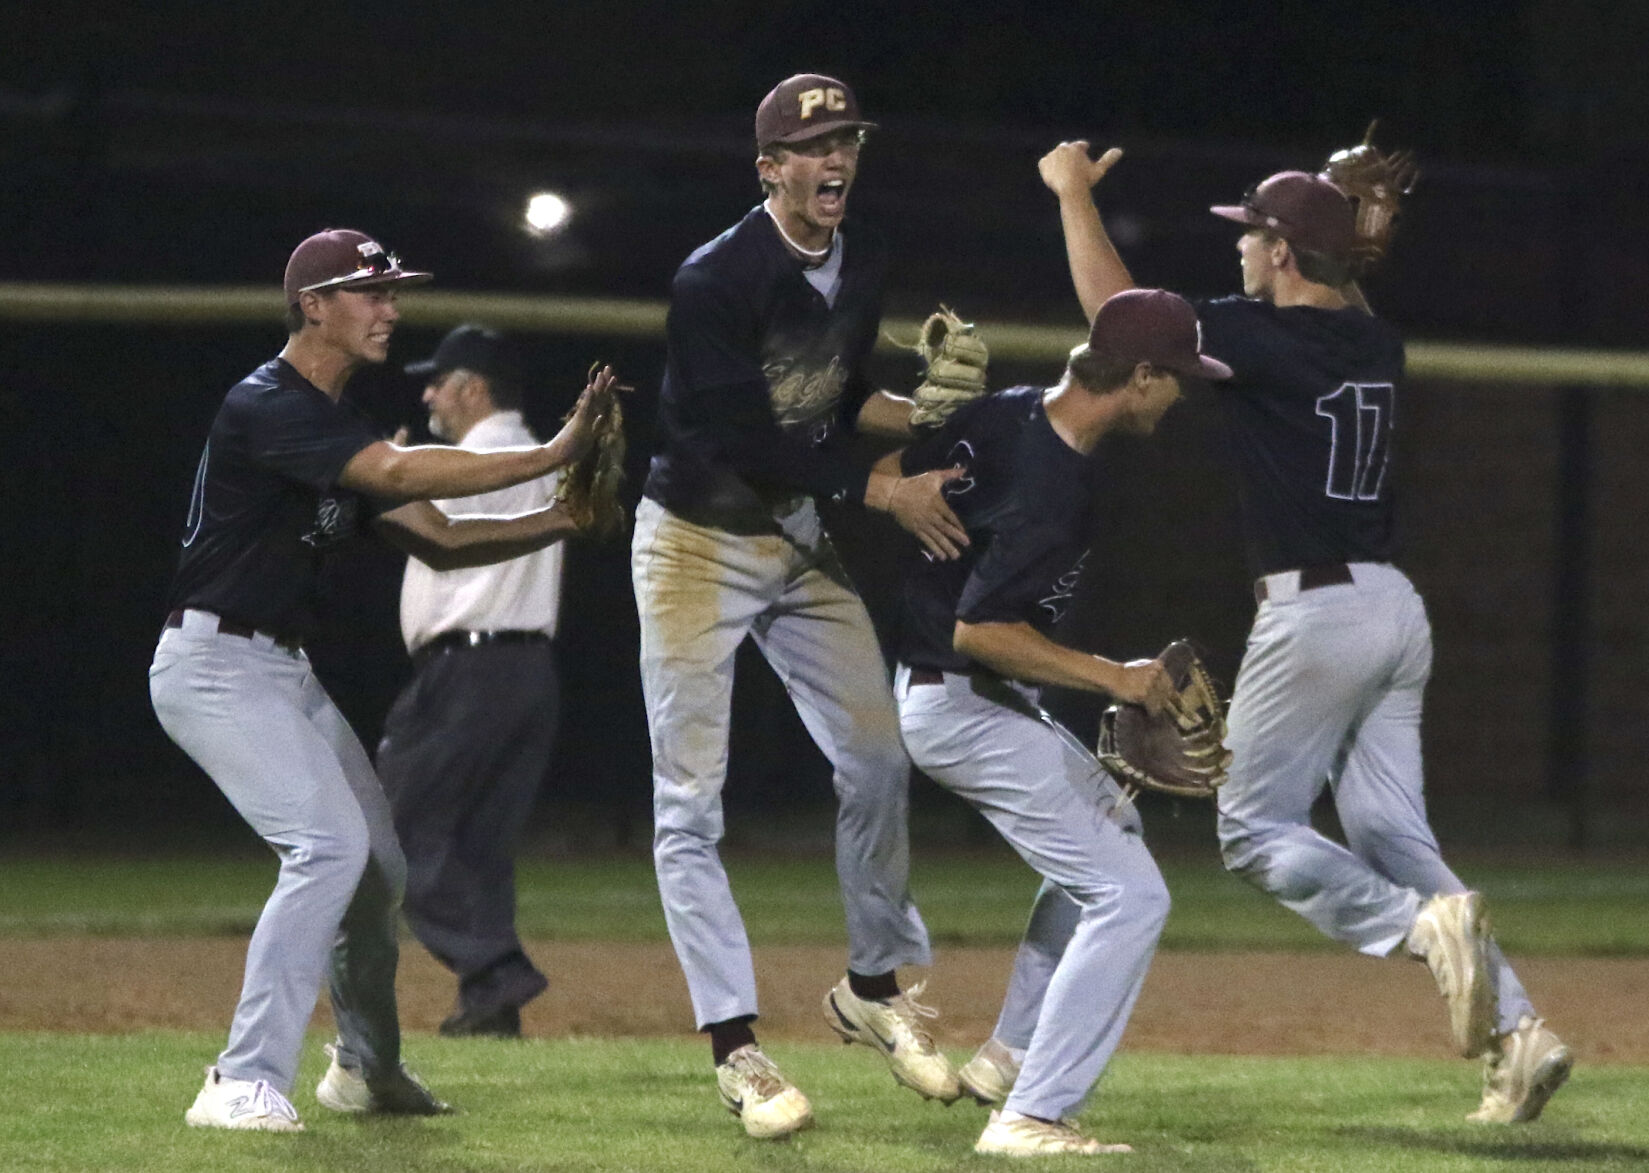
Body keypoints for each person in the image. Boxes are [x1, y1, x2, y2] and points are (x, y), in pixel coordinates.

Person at [1036, 141, 1573, 1124]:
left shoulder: (1262, 337)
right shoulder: (1374, 341)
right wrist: (1341, 234)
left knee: (1249, 832)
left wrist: (1073, 196)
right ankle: (1518, 1030)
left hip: (1317, 613)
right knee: (1386, 829)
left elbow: (1119, 325)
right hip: (1392, 612)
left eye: (1253, 238)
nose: (1240, 252)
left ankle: (1419, 930)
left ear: (1284, 253)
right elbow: (1342, 296)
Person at [151, 229, 614, 1132]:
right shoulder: (267, 401)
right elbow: (400, 471)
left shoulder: (334, 425)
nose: (390, 307)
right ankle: (240, 1077)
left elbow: (439, 536)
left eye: (392, 291)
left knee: (381, 866)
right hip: (211, 662)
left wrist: (562, 516)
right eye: (370, 292)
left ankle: (365, 1068)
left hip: (280, 665)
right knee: (326, 847)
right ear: (312, 305)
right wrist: (556, 451)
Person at [632, 73, 968, 1139]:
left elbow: (830, 393)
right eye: (813, 146)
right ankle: (736, 1052)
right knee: (690, 802)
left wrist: (922, 406)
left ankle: (871, 988)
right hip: (695, 541)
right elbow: (744, 435)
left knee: (877, 757)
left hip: (797, 537)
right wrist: (883, 485)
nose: (836, 159)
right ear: (769, 167)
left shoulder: (860, 255)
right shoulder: (714, 278)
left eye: (847, 141)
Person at [894, 288, 1233, 1156]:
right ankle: (1033, 1115)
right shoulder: (1057, 482)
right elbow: (985, 629)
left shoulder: (1009, 411)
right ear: (1141, 376)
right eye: (1176, 378)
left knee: (1110, 831)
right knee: (1130, 895)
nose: (1182, 394)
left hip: (964, 691)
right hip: (960, 697)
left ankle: (1008, 1058)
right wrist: (1115, 677)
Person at [376, 324, 563, 1039]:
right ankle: (490, 1008)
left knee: (390, 828)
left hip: (468, 673)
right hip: (526, 672)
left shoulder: (474, 459)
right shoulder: (540, 455)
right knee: (481, 847)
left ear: (472, 389)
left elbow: (412, 518)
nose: (428, 393)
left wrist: (384, 472)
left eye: (438, 380)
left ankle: (496, 968)